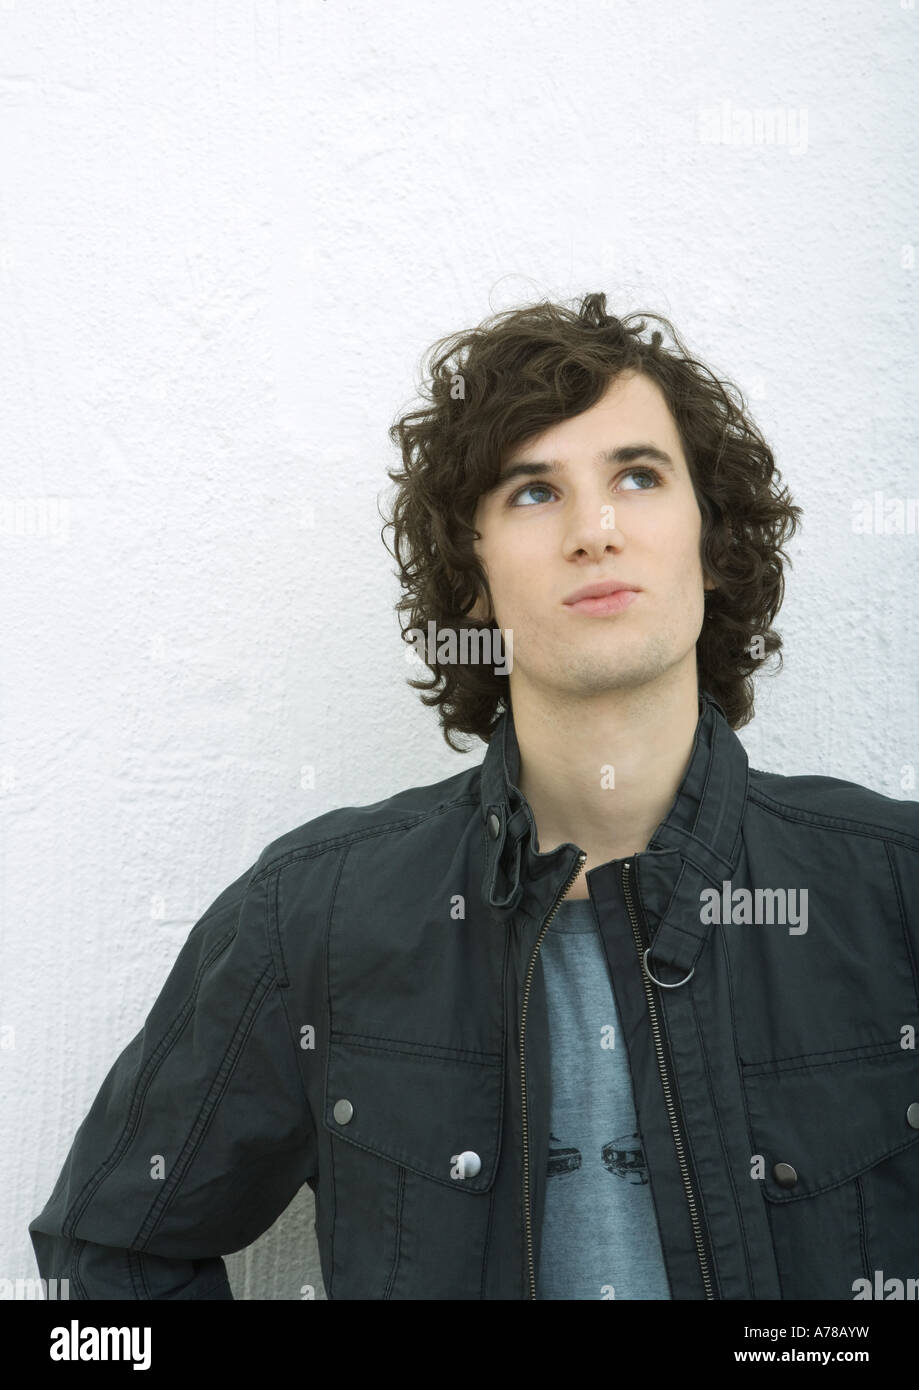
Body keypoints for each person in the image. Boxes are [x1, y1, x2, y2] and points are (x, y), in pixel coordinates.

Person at [29, 292, 919, 1301]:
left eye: (636, 476)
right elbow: (110, 1256)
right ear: (472, 580)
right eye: (533, 491)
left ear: (711, 544)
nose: (594, 529)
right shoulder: (315, 914)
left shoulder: (892, 892)